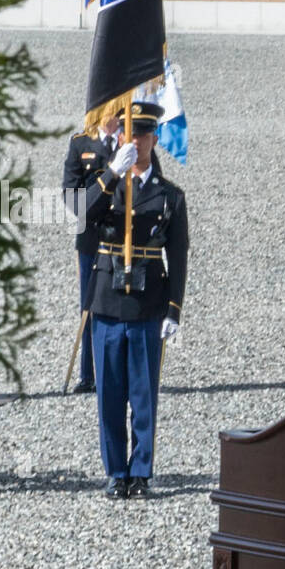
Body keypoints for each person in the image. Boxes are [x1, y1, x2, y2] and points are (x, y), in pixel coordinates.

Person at [84, 101, 188, 498]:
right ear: (122, 136)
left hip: (148, 301)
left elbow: (177, 257)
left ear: (154, 139)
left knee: (144, 392)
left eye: (145, 134)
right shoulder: (107, 183)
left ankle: (141, 470)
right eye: (132, 133)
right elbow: (79, 213)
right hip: (108, 300)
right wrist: (111, 172)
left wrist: (174, 308)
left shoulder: (169, 196)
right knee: (110, 392)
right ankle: (115, 470)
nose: (138, 140)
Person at [63, 114, 121, 394]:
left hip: (122, 238)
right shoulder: (80, 143)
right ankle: (88, 374)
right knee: (89, 305)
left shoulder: (130, 141)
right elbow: (72, 197)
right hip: (91, 236)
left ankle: (115, 371)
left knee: (120, 303)